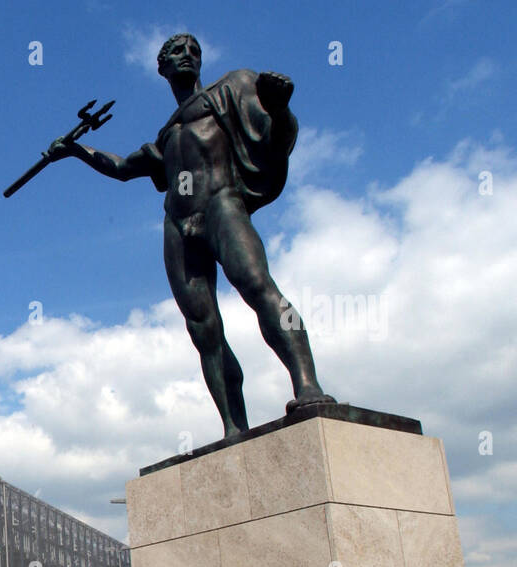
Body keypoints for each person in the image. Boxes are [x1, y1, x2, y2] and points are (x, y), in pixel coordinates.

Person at [47, 33, 334, 437]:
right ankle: (233, 427)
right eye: (176, 52)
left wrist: (281, 108)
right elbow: (123, 168)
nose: (187, 57)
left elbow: (278, 140)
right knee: (203, 327)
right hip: (178, 224)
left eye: (193, 51)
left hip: (221, 205)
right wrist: (76, 152)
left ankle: (307, 386)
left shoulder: (232, 88)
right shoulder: (165, 137)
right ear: (162, 67)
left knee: (258, 287)